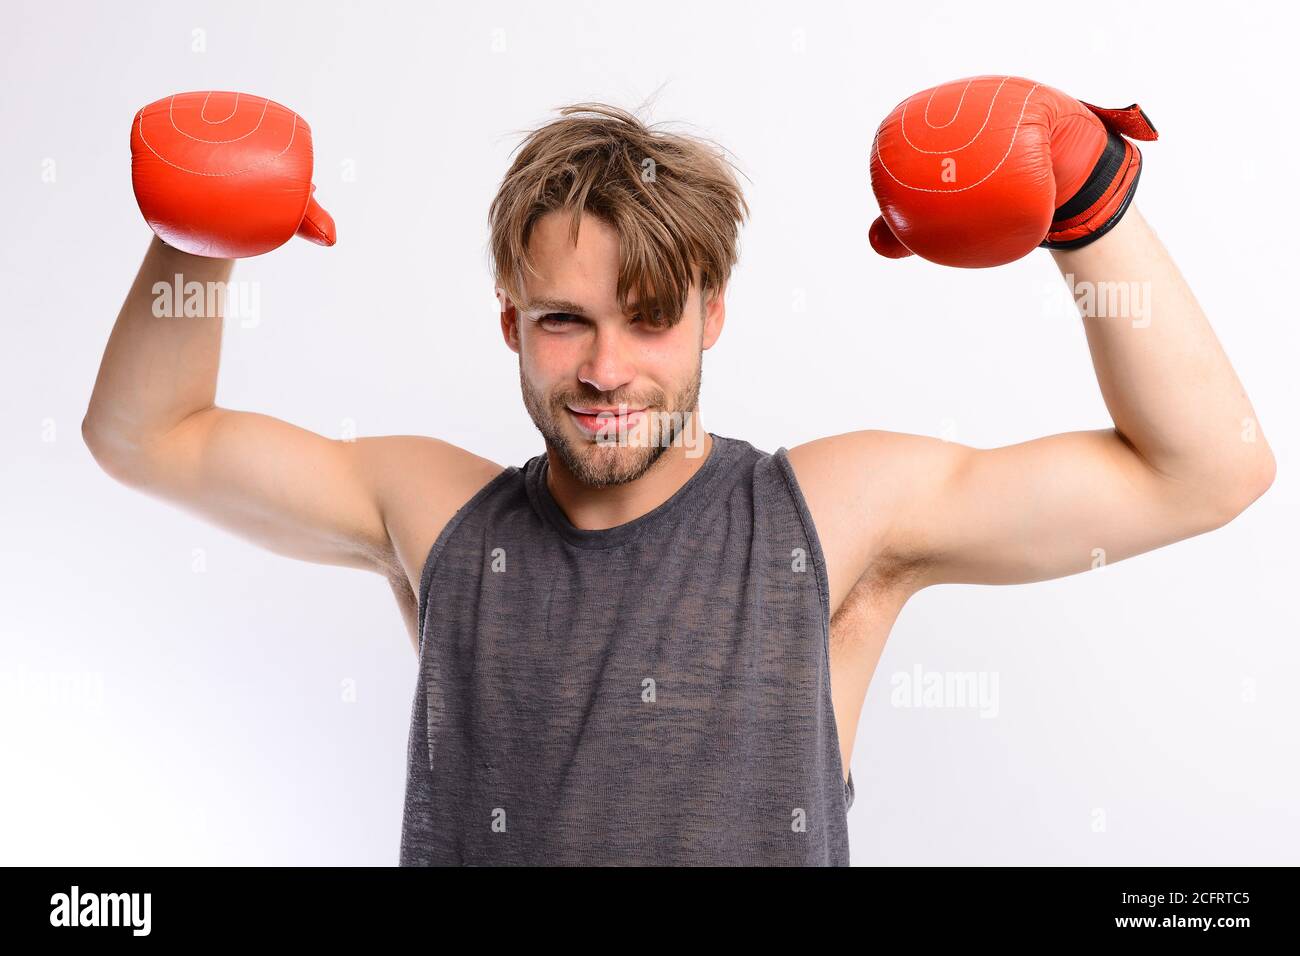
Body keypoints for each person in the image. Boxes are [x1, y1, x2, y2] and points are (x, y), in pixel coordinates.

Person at [84, 82, 1275, 866]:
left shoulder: (829, 515)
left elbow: (1204, 472)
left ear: (712, 314)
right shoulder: (437, 513)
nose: (605, 368)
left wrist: (1092, 202)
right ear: (508, 321)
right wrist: (196, 233)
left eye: (649, 319)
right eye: (564, 320)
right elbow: (147, 435)